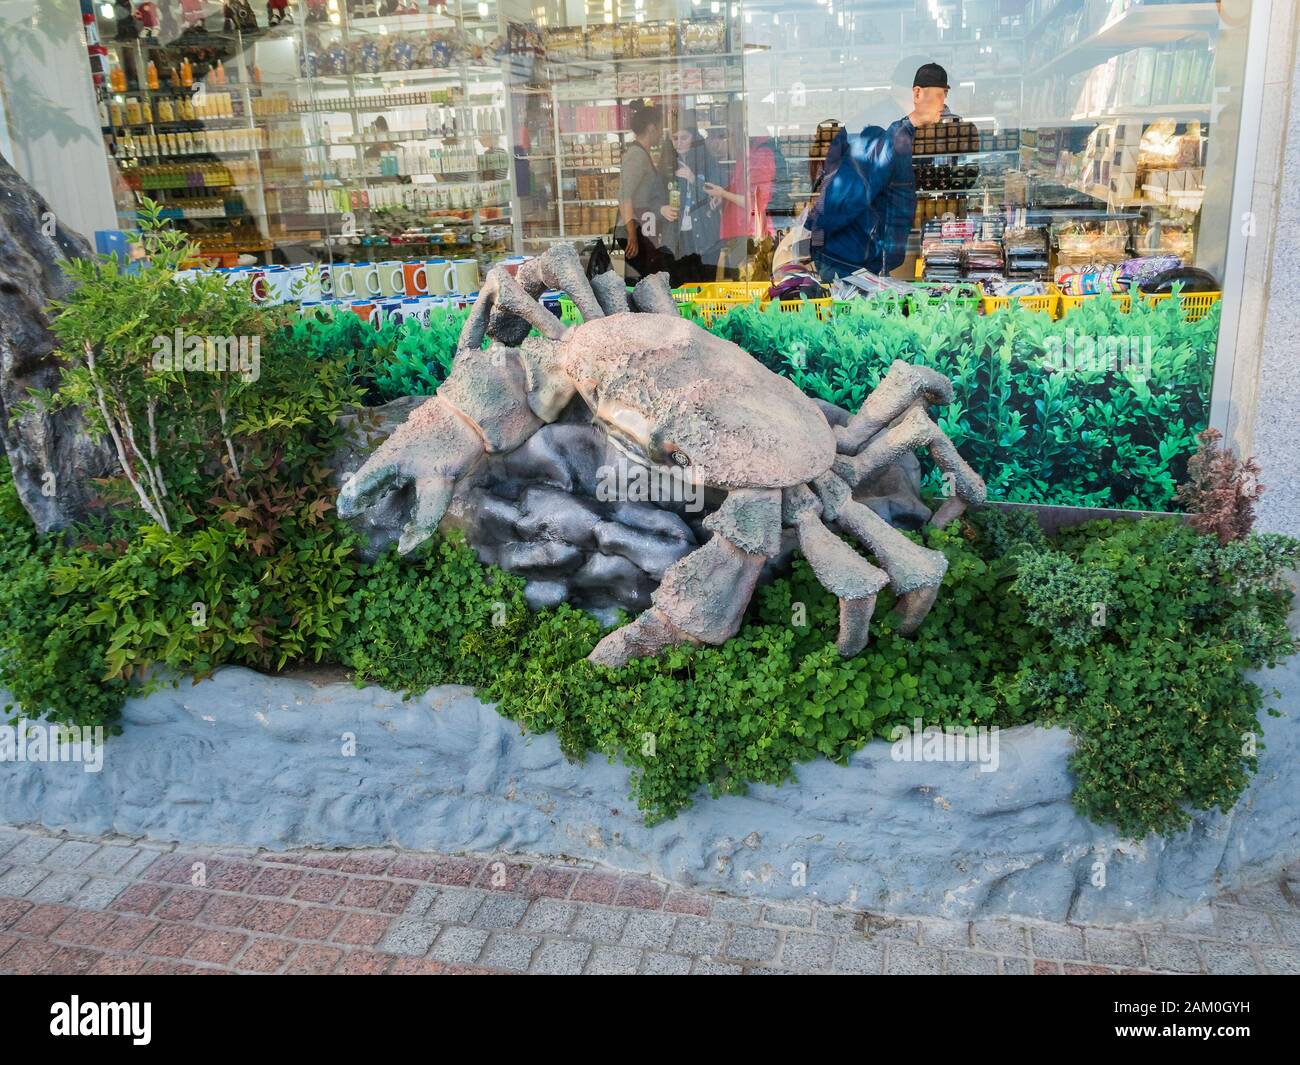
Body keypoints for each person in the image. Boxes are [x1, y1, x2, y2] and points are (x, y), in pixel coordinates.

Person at [809, 62, 950, 282]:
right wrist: (818, 235)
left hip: (861, 260)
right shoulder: (886, 130)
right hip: (850, 262)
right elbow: (848, 196)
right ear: (917, 93)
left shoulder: (896, 129)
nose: (944, 103)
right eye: (941, 94)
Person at [659, 112, 723, 286]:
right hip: (676, 238)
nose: (678, 143)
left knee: (704, 287)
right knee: (679, 289)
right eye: (674, 138)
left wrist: (693, 179)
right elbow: (653, 195)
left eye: (684, 138)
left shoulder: (707, 161)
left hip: (705, 235)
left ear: (694, 137)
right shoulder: (666, 164)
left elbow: (718, 194)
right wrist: (661, 209)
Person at [617, 106, 678, 281]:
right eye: (660, 128)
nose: (660, 133)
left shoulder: (643, 153)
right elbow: (624, 196)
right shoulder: (636, 155)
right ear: (652, 128)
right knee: (645, 281)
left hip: (642, 226)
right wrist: (632, 235)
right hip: (635, 229)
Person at [704, 134, 777, 279]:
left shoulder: (759, 155)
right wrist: (723, 196)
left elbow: (755, 203)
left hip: (748, 232)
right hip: (741, 231)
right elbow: (742, 190)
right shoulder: (748, 153)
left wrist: (724, 193)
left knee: (746, 281)